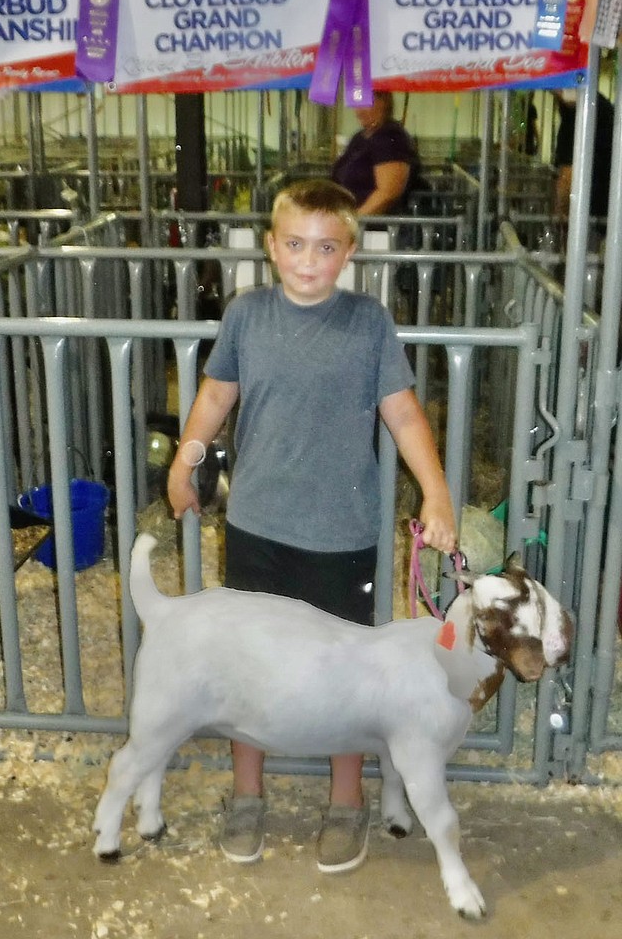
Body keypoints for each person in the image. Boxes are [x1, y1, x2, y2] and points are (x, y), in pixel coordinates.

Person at [167, 178, 457, 875]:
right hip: (257, 522)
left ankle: (346, 800)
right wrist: (187, 456)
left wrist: (438, 493)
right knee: (247, 663)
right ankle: (246, 794)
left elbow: (405, 414)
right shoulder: (247, 315)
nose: (308, 260)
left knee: (347, 673)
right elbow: (216, 393)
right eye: (294, 245)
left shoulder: (368, 323)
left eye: (325, 248)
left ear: (348, 252)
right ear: (271, 247)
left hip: (341, 531)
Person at [331, 91, 424, 216]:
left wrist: (354, 221)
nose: (359, 111)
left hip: (377, 227)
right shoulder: (359, 137)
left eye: (365, 104)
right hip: (349, 216)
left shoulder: (391, 137)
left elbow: (388, 194)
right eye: (357, 104)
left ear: (384, 102)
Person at [553, 88, 615, 223]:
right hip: (604, 203)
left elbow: (568, 173)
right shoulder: (598, 105)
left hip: (591, 206)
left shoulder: (580, 116)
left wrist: (561, 212)